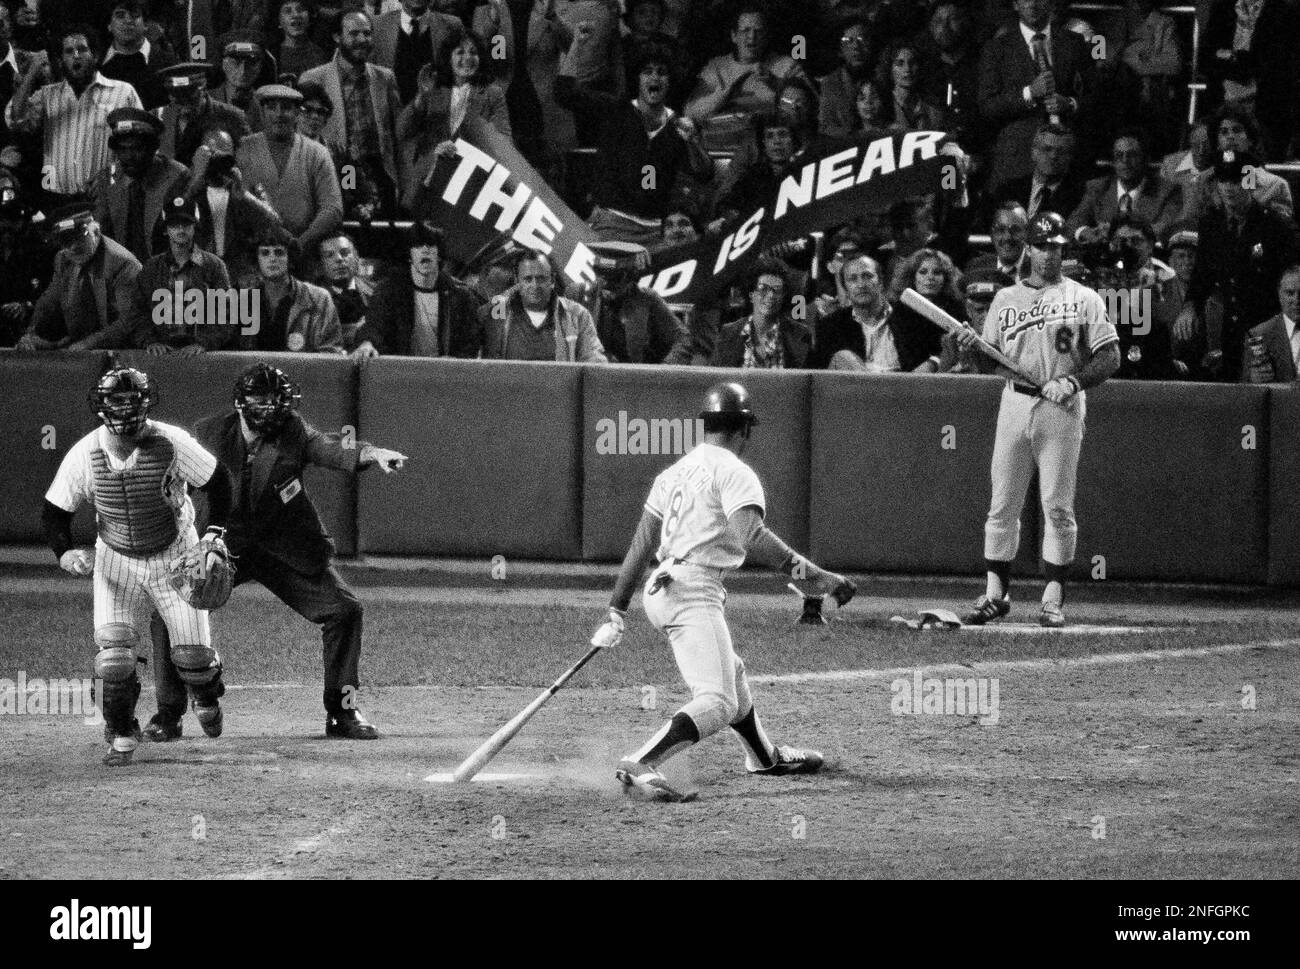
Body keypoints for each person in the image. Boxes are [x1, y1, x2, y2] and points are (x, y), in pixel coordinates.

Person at [589, 381, 855, 802]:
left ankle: (764, 757)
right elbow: (752, 536)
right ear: (744, 430)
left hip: (660, 590)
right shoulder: (733, 471)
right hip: (693, 591)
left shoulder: (673, 473)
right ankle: (641, 762)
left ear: (706, 425)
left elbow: (641, 545)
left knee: (731, 672)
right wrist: (820, 578)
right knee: (717, 701)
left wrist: (616, 610)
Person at [144, 364, 408, 742]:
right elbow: (174, 473)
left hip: (285, 544)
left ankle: (343, 711)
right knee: (167, 614)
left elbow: (328, 446)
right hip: (222, 545)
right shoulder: (209, 433)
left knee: (344, 610)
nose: (270, 408)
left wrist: (371, 452)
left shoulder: (294, 429)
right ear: (240, 403)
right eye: (260, 400)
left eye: (276, 400)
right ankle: (168, 714)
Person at [41, 366, 232, 765]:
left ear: (146, 403)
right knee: (113, 656)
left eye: (132, 400)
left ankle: (206, 692)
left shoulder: (172, 441)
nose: (125, 409)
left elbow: (219, 482)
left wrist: (213, 535)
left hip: (178, 554)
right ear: (102, 406)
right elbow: (54, 513)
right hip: (117, 559)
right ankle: (121, 730)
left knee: (194, 659)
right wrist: (64, 553)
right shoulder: (86, 452)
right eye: (117, 401)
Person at [954, 211, 1120, 628]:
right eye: (1043, 246)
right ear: (1029, 248)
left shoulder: (1084, 298)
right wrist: (970, 347)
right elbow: (990, 362)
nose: (1050, 255)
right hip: (1014, 401)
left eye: (1057, 248)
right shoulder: (1006, 298)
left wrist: (1076, 382)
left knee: (1057, 505)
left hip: (1060, 406)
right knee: (1002, 503)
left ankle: (1053, 598)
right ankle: (995, 594)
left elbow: (1110, 356)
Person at [557, 36, 713, 245]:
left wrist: (692, 142)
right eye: (647, 72)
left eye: (662, 72)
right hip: (612, 224)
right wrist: (577, 41)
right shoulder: (615, 110)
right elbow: (565, 93)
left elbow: (705, 173)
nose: (654, 78)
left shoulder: (679, 125)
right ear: (637, 78)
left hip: (658, 231)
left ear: (670, 80)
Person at [1177, 151, 1300, 381]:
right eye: (1223, 180)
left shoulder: (1275, 226)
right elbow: (1202, 271)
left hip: (1267, 328)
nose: (1229, 187)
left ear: (1250, 181)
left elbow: (1291, 276)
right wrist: (1190, 305)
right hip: (1232, 331)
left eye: (1237, 180)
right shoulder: (1211, 224)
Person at [5, 23, 144, 206]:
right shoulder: (47, 96)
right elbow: (16, 120)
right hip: (57, 200)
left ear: (95, 56)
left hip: (108, 198)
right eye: (69, 51)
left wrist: (115, 175)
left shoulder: (123, 92)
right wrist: (32, 72)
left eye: (82, 49)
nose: (76, 55)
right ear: (61, 60)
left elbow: (142, 143)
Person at [976, 0, 1095, 191]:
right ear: (1015, 4)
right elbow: (988, 106)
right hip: (1018, 160)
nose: (1032, 4)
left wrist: (1070, 104)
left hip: (1067, 159)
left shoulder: (1074, 42)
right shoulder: (996, 48)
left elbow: (1095, 96)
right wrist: (1029, 93)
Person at [298, 11, 403, 217]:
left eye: (367, 33)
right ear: (337, 37)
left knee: (384, 239)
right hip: (342, 171)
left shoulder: (385, 77)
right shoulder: (315, 78)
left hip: (380, 173)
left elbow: (398, 130)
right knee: (350, 229)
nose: (362, 40)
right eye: (354, 34)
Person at [397, 25, 511, 213]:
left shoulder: (493, 93)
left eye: (473, 53)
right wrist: (421, 96)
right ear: (448, 58)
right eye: (460, 52)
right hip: (430, 183)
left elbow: (504, 141)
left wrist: (467, 152)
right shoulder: (432, 90)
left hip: (474, 186)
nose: (467, 58)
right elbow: (402, 132)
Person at [235, 84, 343, 263]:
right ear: (262, 113)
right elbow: (234, 202)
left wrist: (301, 243)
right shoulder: (243, 149)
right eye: (272, 108)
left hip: (304, 255)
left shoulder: (317, 152)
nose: (279, 114)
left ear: (297, 114)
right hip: (253, 255)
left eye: (286, 108)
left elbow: (333, 208)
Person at [683, 2, 809, 153]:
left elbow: (804, 112)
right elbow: (690, 113)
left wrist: (776, 84)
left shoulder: (787, 65)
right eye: (745, 30)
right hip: (722, 150)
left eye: (758, 31)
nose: (752, 36)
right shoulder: (716, 67)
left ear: (767, 36)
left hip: (771, 151)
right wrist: (726, 93)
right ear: (734, 36)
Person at [15, 203, 142, 351]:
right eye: (66, 241)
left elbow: (128, 321)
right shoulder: (63, 259)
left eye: (80, 238)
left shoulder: (123, 264)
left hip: (124, 351)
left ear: (96, 231)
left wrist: (88, 344)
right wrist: (31, 334)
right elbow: (48, 302)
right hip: (80, 346)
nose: (73, 246)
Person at [353, 220, 483, 357]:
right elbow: (374, 325)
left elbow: (471, 342)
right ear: (409, 254)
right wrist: (367, 343)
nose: (425, 250)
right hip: (399, 372)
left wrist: (453, 362)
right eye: (418, 245)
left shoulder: (461, 296)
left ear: (439, 254)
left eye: (431, 245)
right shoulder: (389, 291)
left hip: (445, 374)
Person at [132, 194, 238, 355]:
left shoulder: (213, 266)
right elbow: (137, 312)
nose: (181, 229)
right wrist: (150, 341)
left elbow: (227, 314)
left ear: (195, 227)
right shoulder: (151, 268)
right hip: (161, 355)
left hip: (202, 356)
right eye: (174, 225)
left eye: (186, 224)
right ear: (166, 230)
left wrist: (204, 343)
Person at [188, 128, 285, 286]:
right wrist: (196, 180)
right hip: (200, 280)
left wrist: (244, 195)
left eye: (224, 154)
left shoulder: (249, 185)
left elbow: (275, 226)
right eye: (213, 153)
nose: (218, 159)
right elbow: (170, 223)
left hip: (241, 279)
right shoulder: (188, 183)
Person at [808, 253, 937, 372]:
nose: (861, 284)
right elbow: (817, 371)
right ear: (846, 289)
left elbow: (940, 351)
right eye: (853, 279)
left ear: (881, 282)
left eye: (867, 276)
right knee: (843, 357)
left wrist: (932, 363)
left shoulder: (911, 316)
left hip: (903, 389)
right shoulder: (831, 325)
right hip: (854, 392)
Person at [94, 107, 190, 264]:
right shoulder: (107, 177)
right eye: (122, 149)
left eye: (137, 148)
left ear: (153, 148)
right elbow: (101, 230)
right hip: (124, 271)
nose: (128, 157)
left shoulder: (176, 176)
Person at [478, 248, 607, 361]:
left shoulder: (577, 314)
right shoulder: (497, 313)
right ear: (517, 281)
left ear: (553, 280)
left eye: (541, 279)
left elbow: (594, 362)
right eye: (528, 279)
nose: (535, 286)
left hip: (559, 389)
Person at [583, 240, 692, 364]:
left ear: (631, 278)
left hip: (640, 375)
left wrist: (663, 370)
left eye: (615, 279)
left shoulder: (647, 299)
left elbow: (683, 339)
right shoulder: (583, 296)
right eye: (601, 276)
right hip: (598, 372)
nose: (606, 286)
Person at [242, 222, 345, 352]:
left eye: (279, 252)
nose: (272, 258)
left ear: (290, 258)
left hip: (305, 372)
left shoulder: (319, 298)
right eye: (265, 253)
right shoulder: (243, 301)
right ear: (256, 259)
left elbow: (330, 353)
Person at [1066, 130, 1182, 245]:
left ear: (1145, 159)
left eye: (1132, 155)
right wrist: (1085, 232)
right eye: (1119, 155)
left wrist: (1118, 234)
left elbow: (1164, 229)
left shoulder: (1167, 191)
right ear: (1113, 161)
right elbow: (1073, 222)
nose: (1125, 161)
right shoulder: (1098, 187)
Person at [708, 261, 809, 368]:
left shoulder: (800, 335)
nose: (770, 295)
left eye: (777, 290)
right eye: (763, 288)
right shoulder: (728, 333)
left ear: (783, 297)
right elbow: (715, 377)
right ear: (751, 295)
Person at [156, 61, 250, 167]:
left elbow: (249, 161)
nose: (183, 100)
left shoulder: (231, 116)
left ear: (203, 88)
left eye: (189, 93)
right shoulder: (160, 117)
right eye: (176, 94)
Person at [888, 246, 961, 373]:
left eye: (937, 272)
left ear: (945, 279)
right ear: (912, 277)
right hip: (911, 374)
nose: (930, 277)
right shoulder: (900, 311)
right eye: (923, 272)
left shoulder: (956, 308)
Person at [98, 0, 173, 110]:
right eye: (120, 15)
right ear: (109, 25)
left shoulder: (167, 64)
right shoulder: (96, 64)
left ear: (146, 24)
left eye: (134, 15)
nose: (128, 21)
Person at [817, 17, 878, 141]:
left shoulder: (883, 76)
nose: (856, 46)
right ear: (840, 49)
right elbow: (826, 126)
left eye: (862, 39)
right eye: (849, 40)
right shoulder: (831, 83)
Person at [317, 231, 375, 351]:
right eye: (329, 255)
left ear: (357, 257)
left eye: (345, 253)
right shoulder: (312, 299)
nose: (339, 259)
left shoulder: (377, 292)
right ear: (321, 264)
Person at [1242, 265, 1300, 383]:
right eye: (1290, 293)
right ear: (1279, 295)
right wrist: (1253, 380)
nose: (1297, 300)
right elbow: (1245, 389)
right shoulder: (1258, 336)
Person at [967, 200, 1029, 281]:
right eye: (1000, 230)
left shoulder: (1040, 269)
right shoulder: (976, 269)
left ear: (1027, 233)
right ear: (992, 235)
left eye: (1015, 230)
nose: (1007, 237)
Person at [272, 0, 329, 80]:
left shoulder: (321, 55)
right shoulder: (271, 55)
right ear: (279, 21)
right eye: (288, 11)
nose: (295, 15)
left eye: (300, 10)